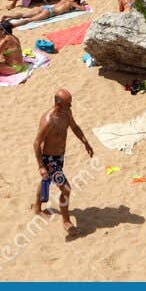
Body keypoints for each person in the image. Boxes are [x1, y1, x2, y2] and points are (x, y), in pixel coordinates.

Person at [34, 89, 95, 236]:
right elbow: (36, 143)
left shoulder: (67, 113)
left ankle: (37, 207)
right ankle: (66, 221)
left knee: (46, 180)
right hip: (49, 159)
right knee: (66, 189)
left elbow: (74, 127)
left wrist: (85, 142)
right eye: (68, 104)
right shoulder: (49, 120)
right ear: (59, 104)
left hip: (59, 157)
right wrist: (41, 166)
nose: (71, 106)